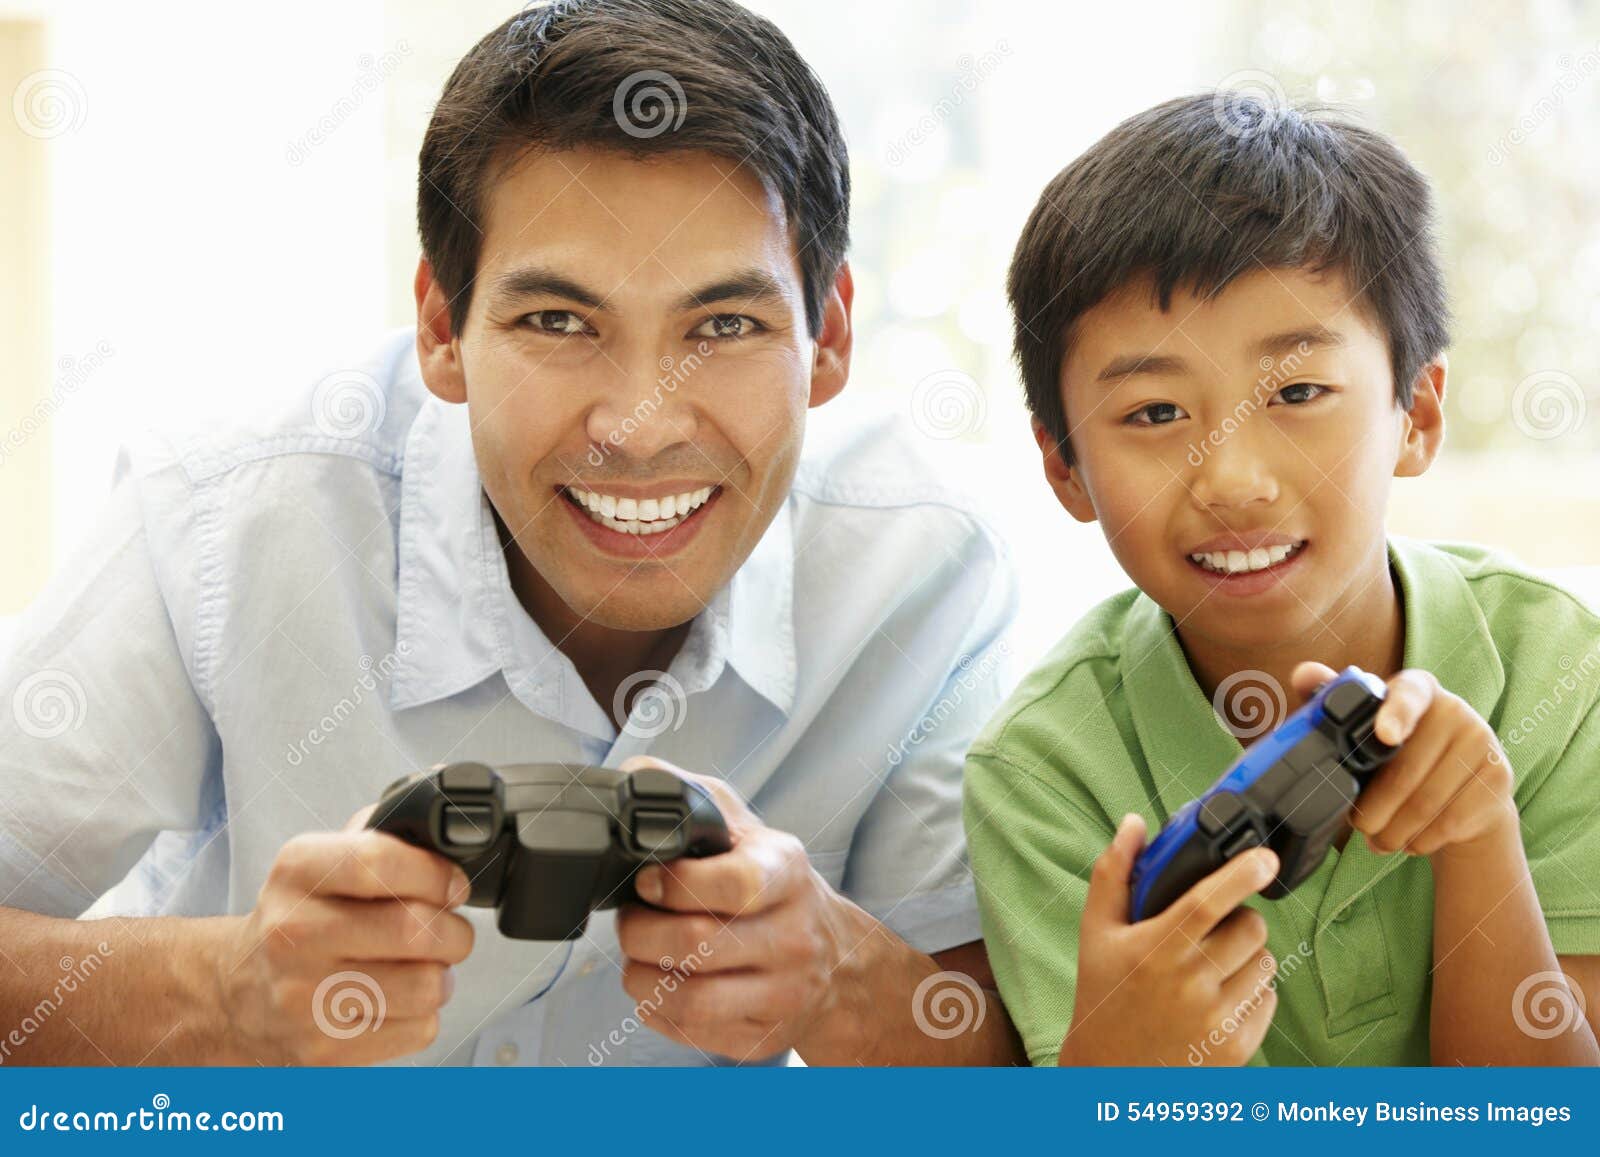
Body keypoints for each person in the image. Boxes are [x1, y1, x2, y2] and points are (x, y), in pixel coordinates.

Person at [0, 0, 1023, 1067]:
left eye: (724, 324)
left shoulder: (924, 573)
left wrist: (840, 976)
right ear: (443, 327)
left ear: (829, 336)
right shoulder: (220, 518)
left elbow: (1016, 1064)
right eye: (556, 321)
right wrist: (226, 989)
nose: (638, 424)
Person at [963, 93, 1600, 1066]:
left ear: (1416, 411)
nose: (1232, 479)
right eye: (1152, 413)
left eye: (1298, 393)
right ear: (1062, 466)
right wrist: (1120, 1066)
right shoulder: (1040, 771)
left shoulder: (1561, 664)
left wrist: (1478, 834)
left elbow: (1544, 1116)